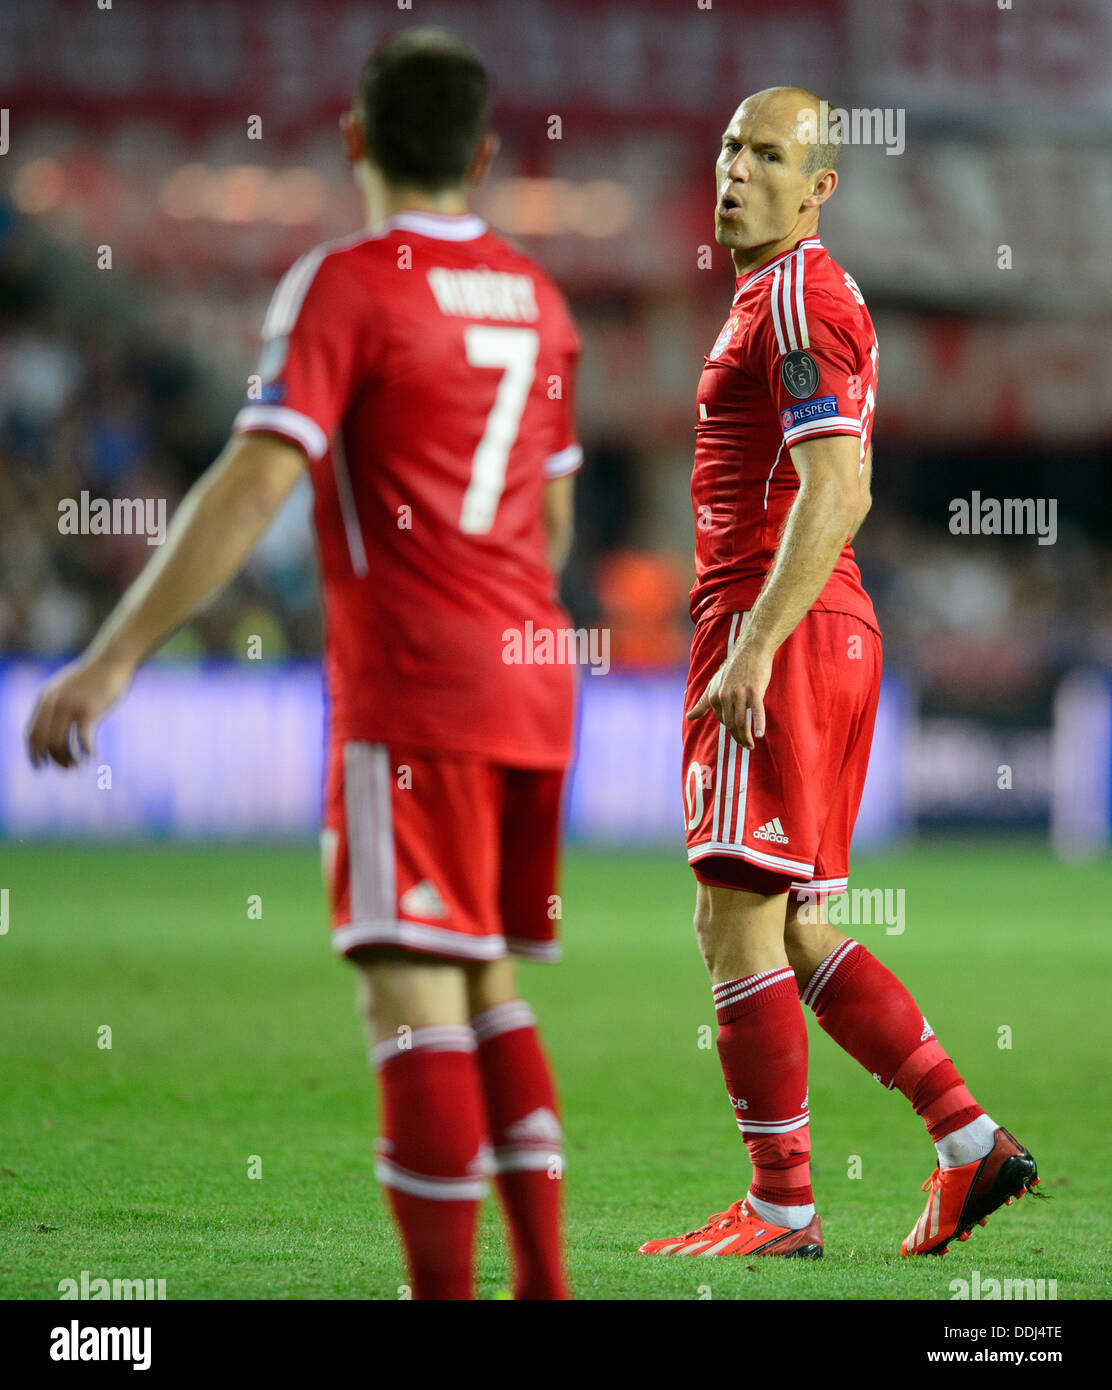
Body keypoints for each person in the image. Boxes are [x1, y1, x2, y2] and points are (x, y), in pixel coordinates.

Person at [26, 28, 581, 1300]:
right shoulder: (539, 302)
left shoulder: (346, 282)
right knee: (486, 982)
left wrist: (113, 659)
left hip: (419, 680)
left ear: (351, 142)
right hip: (535, 675)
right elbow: (548, 524)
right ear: (485, 156)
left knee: (404, 992)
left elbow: (254, 478)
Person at [637, 87, 1039, 1260]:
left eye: (768, 155)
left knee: (732, 918)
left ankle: (779, 1209)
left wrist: (753, 642)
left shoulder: (797, 293)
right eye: (726, 147)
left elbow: (840, 483)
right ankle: (967, 1143)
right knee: (797, 924)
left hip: (780, 622)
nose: (735, 171)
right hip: (821, 625)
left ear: (818, 187)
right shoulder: (774, 296)